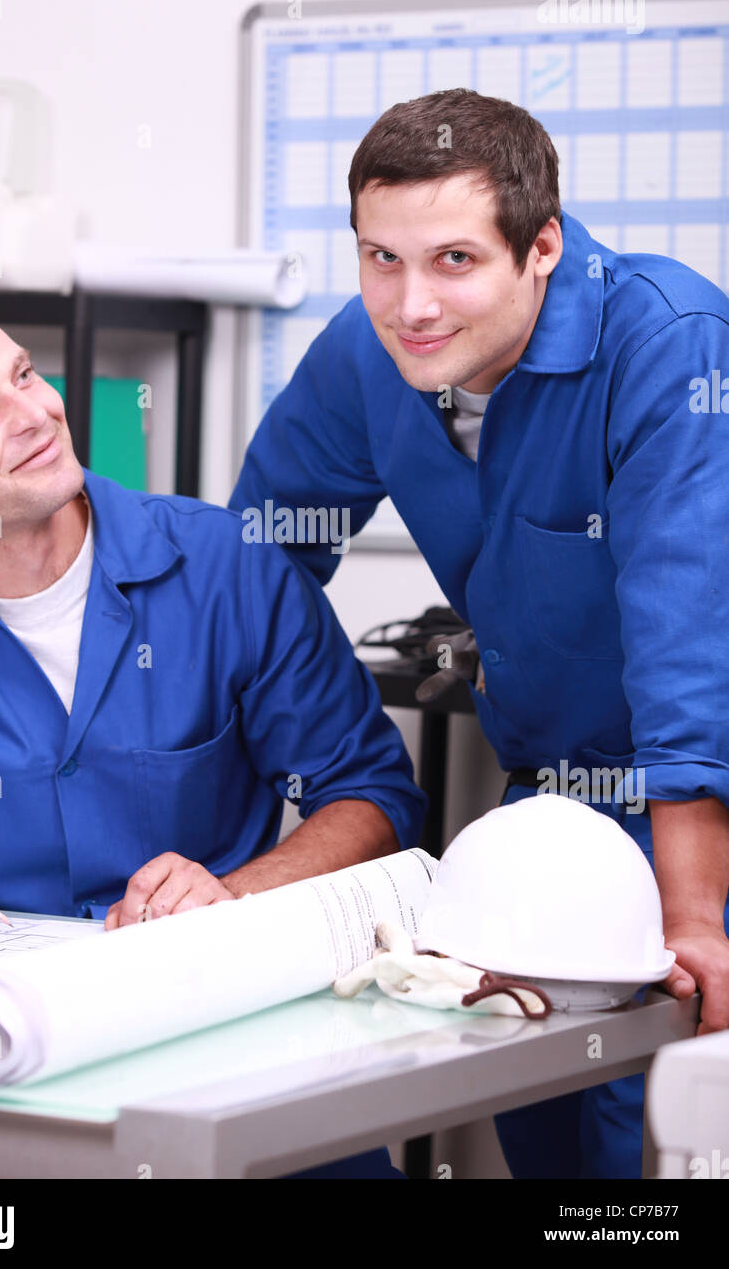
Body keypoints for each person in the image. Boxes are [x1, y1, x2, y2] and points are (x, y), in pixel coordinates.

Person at [230, 87, 729, 1179]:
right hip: (548, 801)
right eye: (378, 258)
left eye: (453, 259)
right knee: (525, 1105)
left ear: (538, 247)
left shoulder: (667, 343)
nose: (409, 304)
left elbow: (685, 648)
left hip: (699, 802)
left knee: (638, 1139)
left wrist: (695, 918)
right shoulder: (365, 358)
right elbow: (258, 569)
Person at [0, 295, 427, 1179]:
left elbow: (373, 797)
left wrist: (233, 897)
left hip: (224, 1029)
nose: (37, 412)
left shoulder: (230, 566)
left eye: (21, 374)